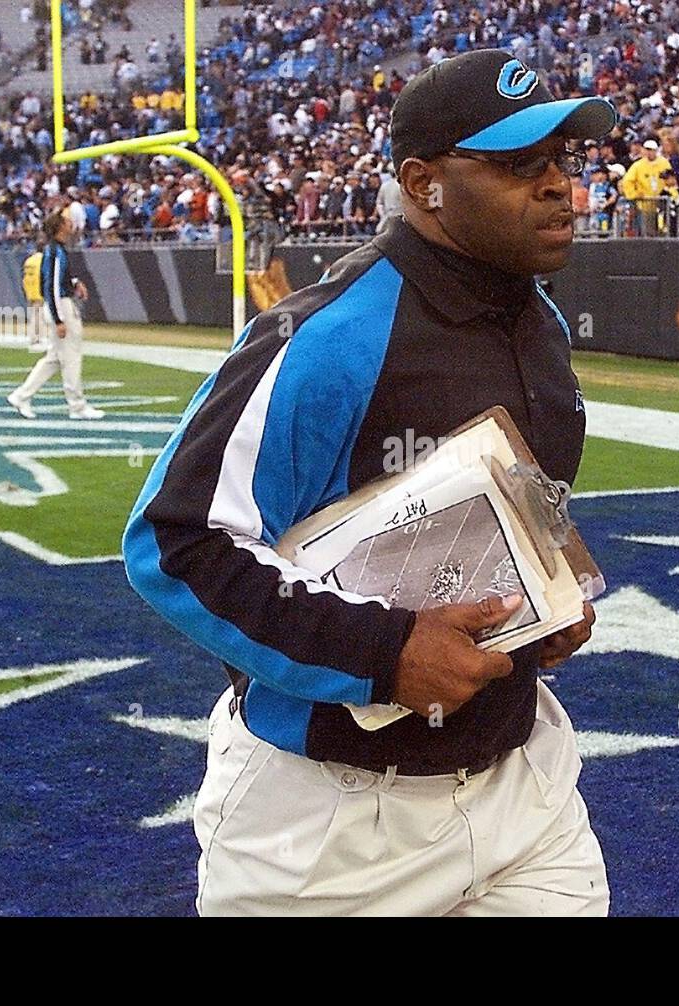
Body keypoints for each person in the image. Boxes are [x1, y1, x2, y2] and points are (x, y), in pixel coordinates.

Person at [124, 49, 611, 917]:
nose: (557, 186)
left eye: (562, 159)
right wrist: (383, 654)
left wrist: (551, 581)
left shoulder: (537, 320)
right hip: (332, 823)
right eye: (516, 164)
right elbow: (177, 543)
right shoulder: (328, 334)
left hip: (523, 782)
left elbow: (519, 486)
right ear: (423, 183)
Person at [7, 212, 104, 420]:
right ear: (60, 227)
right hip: (61, 306)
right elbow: (51, 286)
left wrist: (75, 282)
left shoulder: (55, 250)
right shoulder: (54, 251)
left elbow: (58, 279)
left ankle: (21, 395)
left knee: (54, 358)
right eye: (68, 222)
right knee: (71, 356)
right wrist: (59, 319)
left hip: (59, 304)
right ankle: (77, 406)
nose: (72, 225)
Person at [22, 243, 48, 348]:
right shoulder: (43, 260)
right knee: (39, 316)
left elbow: (25, 277)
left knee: (33, 315)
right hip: (39, 290)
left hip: (30, 290)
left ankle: (34, 336)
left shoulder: (29, 261)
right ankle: (37, 338)